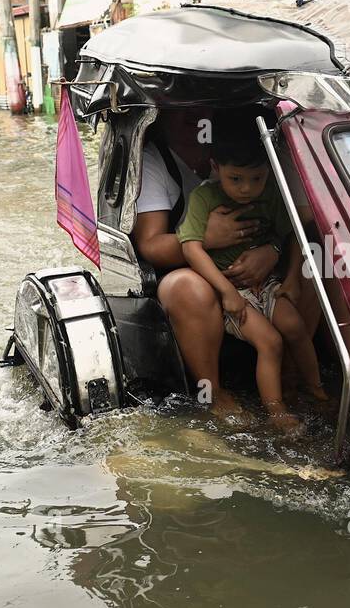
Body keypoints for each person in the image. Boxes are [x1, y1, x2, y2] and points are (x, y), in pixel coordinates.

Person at [130, 118, 284, 415]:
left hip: (257, 264)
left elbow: (291, 225)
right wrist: (206, 237)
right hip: (188, 271)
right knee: (189, 287)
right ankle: (211, 391)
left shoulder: (247, 151)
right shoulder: (155, 160)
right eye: (185, 112)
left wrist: (273, 251)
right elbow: (150, 245)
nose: (196, 119)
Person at [176, 134, 325, 432]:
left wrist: (293, 277)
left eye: (256, 178)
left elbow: (294, 232)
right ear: (215, 167)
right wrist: (227, 292)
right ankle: (276, 410)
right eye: (236, 178)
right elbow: (190, 247)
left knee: (294, 326)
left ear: (269, 171)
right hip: (231, 291)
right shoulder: (204, 198)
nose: (246, 188)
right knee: (270, 342)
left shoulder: (271, 194)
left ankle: (316, 389)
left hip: (266, 283)